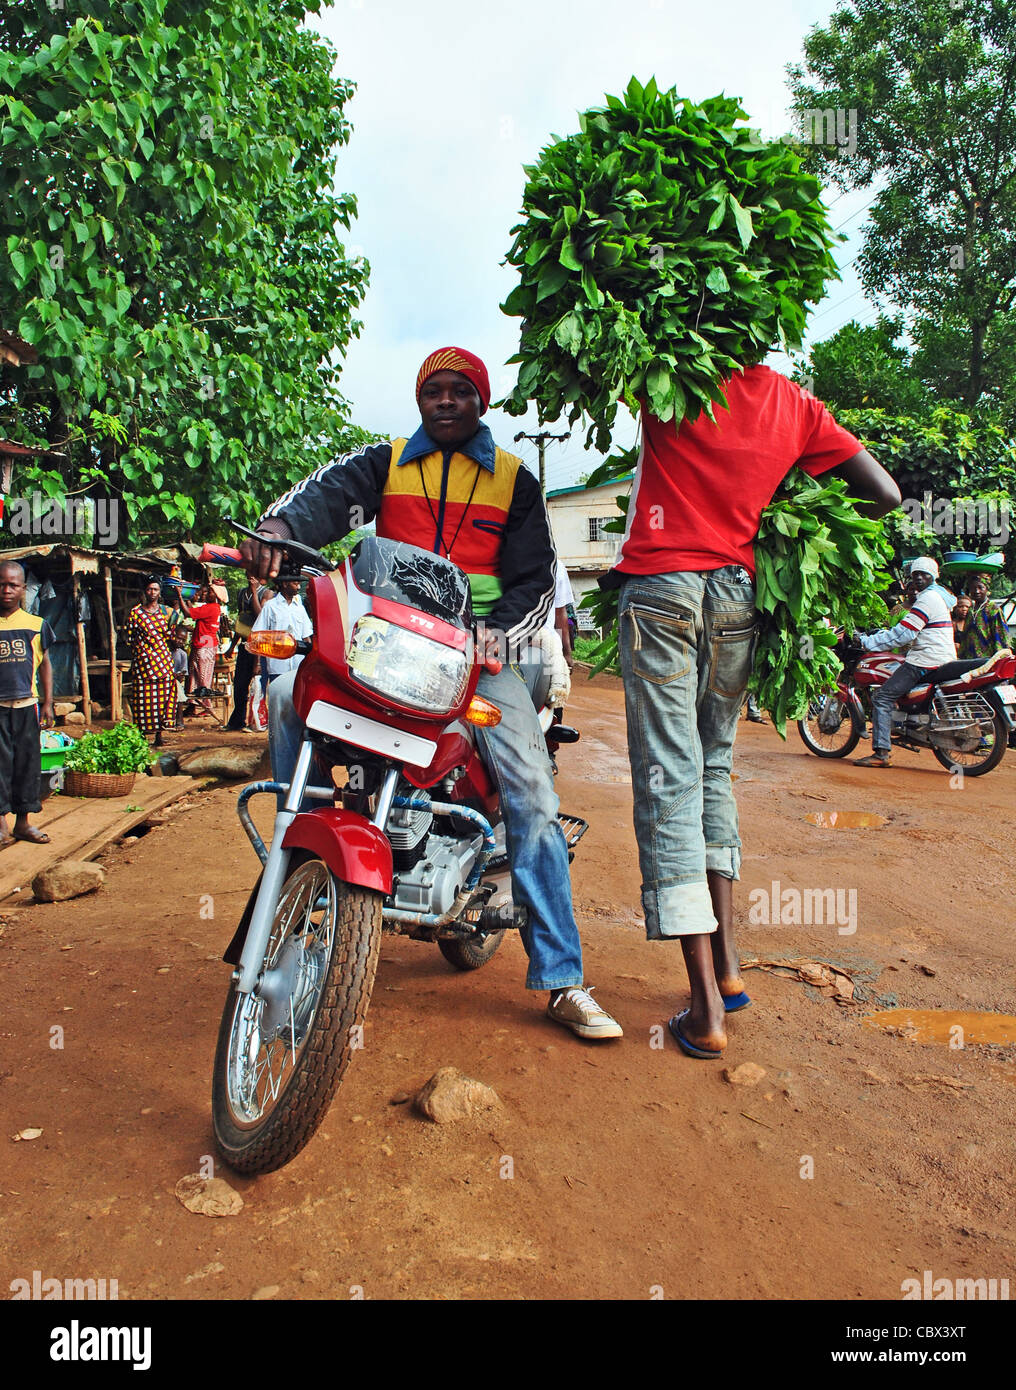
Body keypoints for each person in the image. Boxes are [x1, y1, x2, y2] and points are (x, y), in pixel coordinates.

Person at [239, 346, 622, 1042]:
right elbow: (318, 502)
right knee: (293, 691)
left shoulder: (515, 482)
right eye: (433, 391)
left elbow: (536, 582)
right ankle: (301, 859)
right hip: (387, 638)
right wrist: (278, 532)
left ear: (481, 400)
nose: (445, 401)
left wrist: (497, 636)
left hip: (478, 654)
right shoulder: (384, 463)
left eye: (460, 391)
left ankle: (563, 978)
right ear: (420, 399)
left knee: (533, 790)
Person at [606, 365, 899, 1059]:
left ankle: (704, 1006)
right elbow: (883, 493)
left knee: (668, 783)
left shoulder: (662, 369)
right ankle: (730, 973)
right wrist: (785, 506)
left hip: (661, 594)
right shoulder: (793, 403)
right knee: (712, 770)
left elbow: (604, 364)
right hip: (738, 597)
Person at [853, 556, 956, 770]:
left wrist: (867, 642)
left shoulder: (927, 599)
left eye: (924, 574)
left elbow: (904, 634)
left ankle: (881, 753)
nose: (918, 578)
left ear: (933, 576)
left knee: (882, 697)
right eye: (915, 574)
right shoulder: (939, 597)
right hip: (942, 658)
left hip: (924, 660)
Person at [0, 560, 55, 846]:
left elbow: (45, 664)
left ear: (23, 589)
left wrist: (47, 703)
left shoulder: (36, 625)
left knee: (27, 766)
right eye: (1, 584)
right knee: (0, 766)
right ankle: (1, 826)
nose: (6, 590)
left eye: (13, 585)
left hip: (26, 706)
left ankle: (23, 824)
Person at [124, 575, 177, 747]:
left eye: (155, 589)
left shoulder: (167, 612)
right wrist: (142, 653)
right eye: (149, 589)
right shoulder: (136, 613)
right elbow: (129, 638)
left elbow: (173, 635)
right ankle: (142, 736)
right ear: (145, 591)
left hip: (163, 661)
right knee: (142, 698)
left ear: (160, 592)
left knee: (163, 698)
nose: (152, 592)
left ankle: (159, 736)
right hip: (143, 662)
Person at [225, 575, 270, 730]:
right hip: (245, 644)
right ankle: (237, 720)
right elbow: (242, 620)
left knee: (258, 686)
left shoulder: (267, 593)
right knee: (240, 685)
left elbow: (260, 615)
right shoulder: (242, 593)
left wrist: (254, 591)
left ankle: (256, 722)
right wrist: (232, 646)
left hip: (260, 646)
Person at [250, 578, 313, 686]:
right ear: (285, 583)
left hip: (298, 665)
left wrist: (311, 661)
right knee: (278, 698)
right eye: (295, 583)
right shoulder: (270, 606)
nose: (298, 587)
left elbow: (306, 637)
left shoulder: (300, 608)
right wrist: (258, 663)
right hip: (277, 666)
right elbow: (258, 636)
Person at [174, 583, 221, 698]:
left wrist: (180, 596)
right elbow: (193, 611)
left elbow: (188, 613)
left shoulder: (210, 608)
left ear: (217, 596)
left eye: (209, 592)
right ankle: (194, 705)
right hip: (204, 645)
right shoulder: (213, 607)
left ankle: (205, 705)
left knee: (202, 679)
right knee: (195, 677)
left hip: (204, 647)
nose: (205, 594)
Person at [959, 572, 1010, 660]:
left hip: (988, 659)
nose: (976, 591)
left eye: (980, 587)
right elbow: (965, 636)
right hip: (970, 659)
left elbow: (1001, 634)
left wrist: (1000, 658)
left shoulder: (993, 609)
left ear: (987, 589)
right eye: (973, 588)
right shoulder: (971, 610)